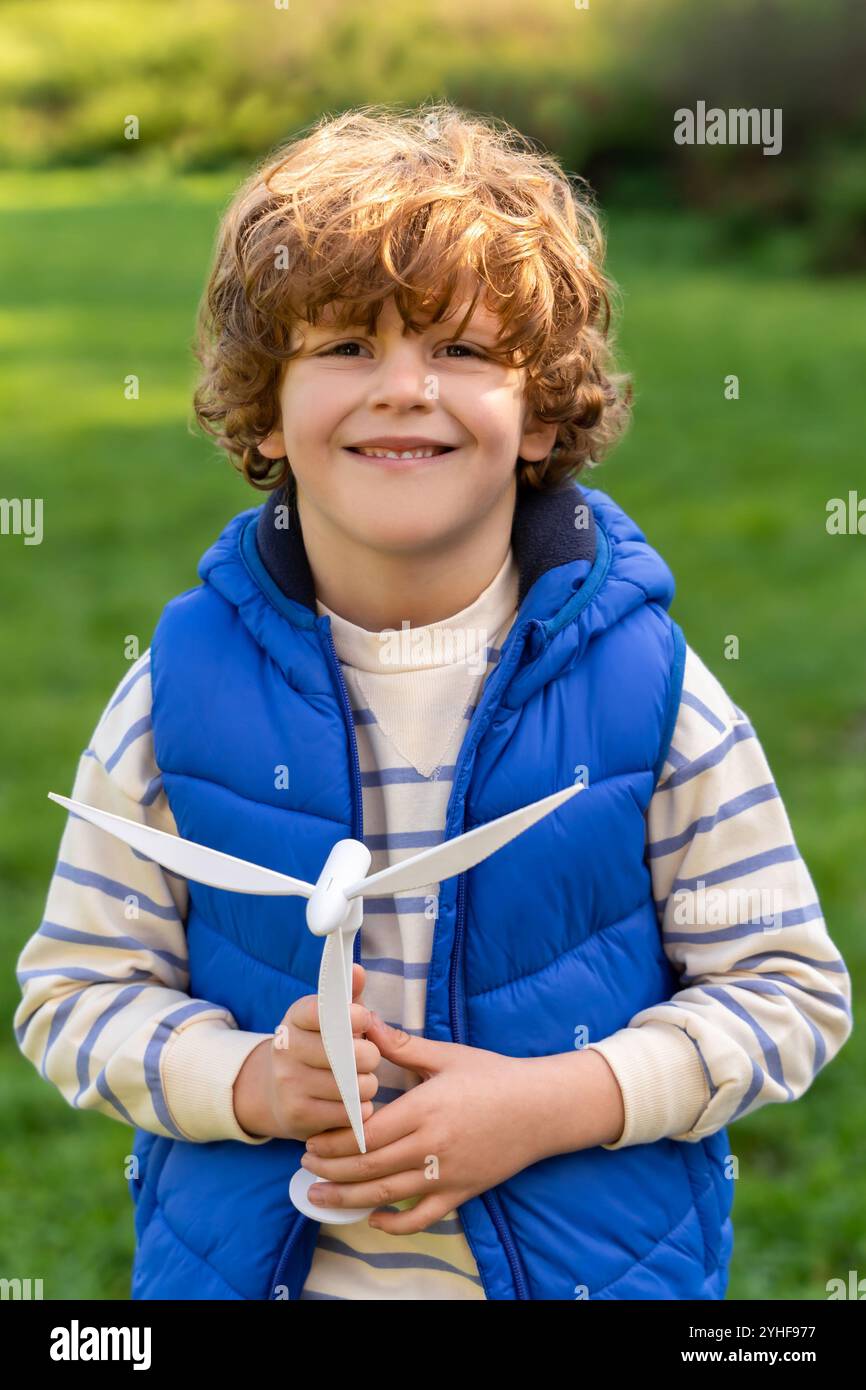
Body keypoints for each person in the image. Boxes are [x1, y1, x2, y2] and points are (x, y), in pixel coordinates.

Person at [14, 102, 853, 1300]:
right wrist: (249, 1079)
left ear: (544, 411)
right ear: (265, 406)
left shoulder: (649, 689)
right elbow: (74, 992)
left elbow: (787, 992)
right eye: (345, 347)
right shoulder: (175, 689)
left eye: (460, 350)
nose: (403, 389)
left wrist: (549, 1103)